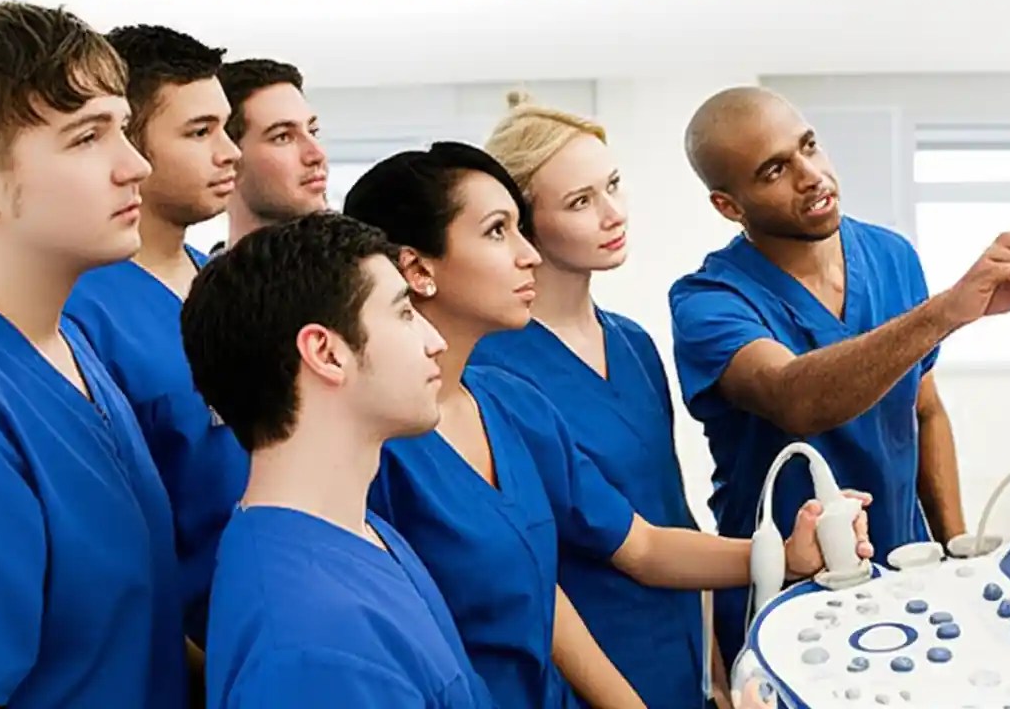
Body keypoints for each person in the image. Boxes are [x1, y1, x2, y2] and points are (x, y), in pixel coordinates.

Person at [343, 140, 873, 709]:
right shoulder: (375, 445)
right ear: (417, 268)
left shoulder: (508, 403)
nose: (530, 256)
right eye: (498, 231)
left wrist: (783, 557)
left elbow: (637, 545)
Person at [669, 84, 1010, 667]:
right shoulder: (709, 300)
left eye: (810, 146)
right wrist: (946, 311)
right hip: (784, 599)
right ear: (729, 205)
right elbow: (795, 398)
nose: (812, 175)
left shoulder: (891, 255)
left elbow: (923, 408)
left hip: (903, 574)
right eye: (774, 170)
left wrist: (957, 552)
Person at [0, 1, 186, 708]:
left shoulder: (63, 345)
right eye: (85, 138)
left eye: (124, 130)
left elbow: (123, 635)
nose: (136, 166)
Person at [185, 213, 496, 708]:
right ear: (326, 354)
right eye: (403, 312)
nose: (435, 341)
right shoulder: (312, 647)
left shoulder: (357, 532)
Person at [472, 92, 719, 709]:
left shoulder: (633, 342)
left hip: (680, 642)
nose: (614, 214)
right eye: (582, 202)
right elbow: (546, 564)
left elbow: (674, 513)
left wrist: (715, 674)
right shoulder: (492, 369)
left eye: (613, 185)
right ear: (524, 227)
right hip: (592, 667)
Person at [63, 24, 244, 651]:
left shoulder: (223, 283)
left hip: (261, 615)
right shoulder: (81, 307)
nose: (231, 153)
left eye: (226, 127)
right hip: (176, 651)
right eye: (199, 133)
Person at [215, 58, 328, 248]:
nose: (316, 155)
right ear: (229, 158)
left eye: (313, 131)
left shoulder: (370, 273)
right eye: (283, 137)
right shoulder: (198, 275)